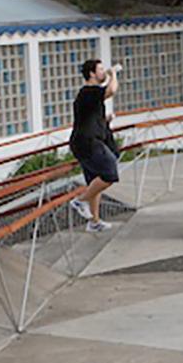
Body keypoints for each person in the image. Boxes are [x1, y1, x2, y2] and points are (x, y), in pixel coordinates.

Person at [67, 58, 120, 233]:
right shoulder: (89, 91)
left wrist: (106, 119)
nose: (103, 72)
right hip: (87, 143)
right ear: (91, 73)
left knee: (94, 183)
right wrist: (113, 74)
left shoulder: (89, 96)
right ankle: (80, 201)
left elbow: (87, 119)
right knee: (109, 172)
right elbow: (111, 90)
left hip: (84, 142)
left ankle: (94, 222)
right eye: (100, 69)